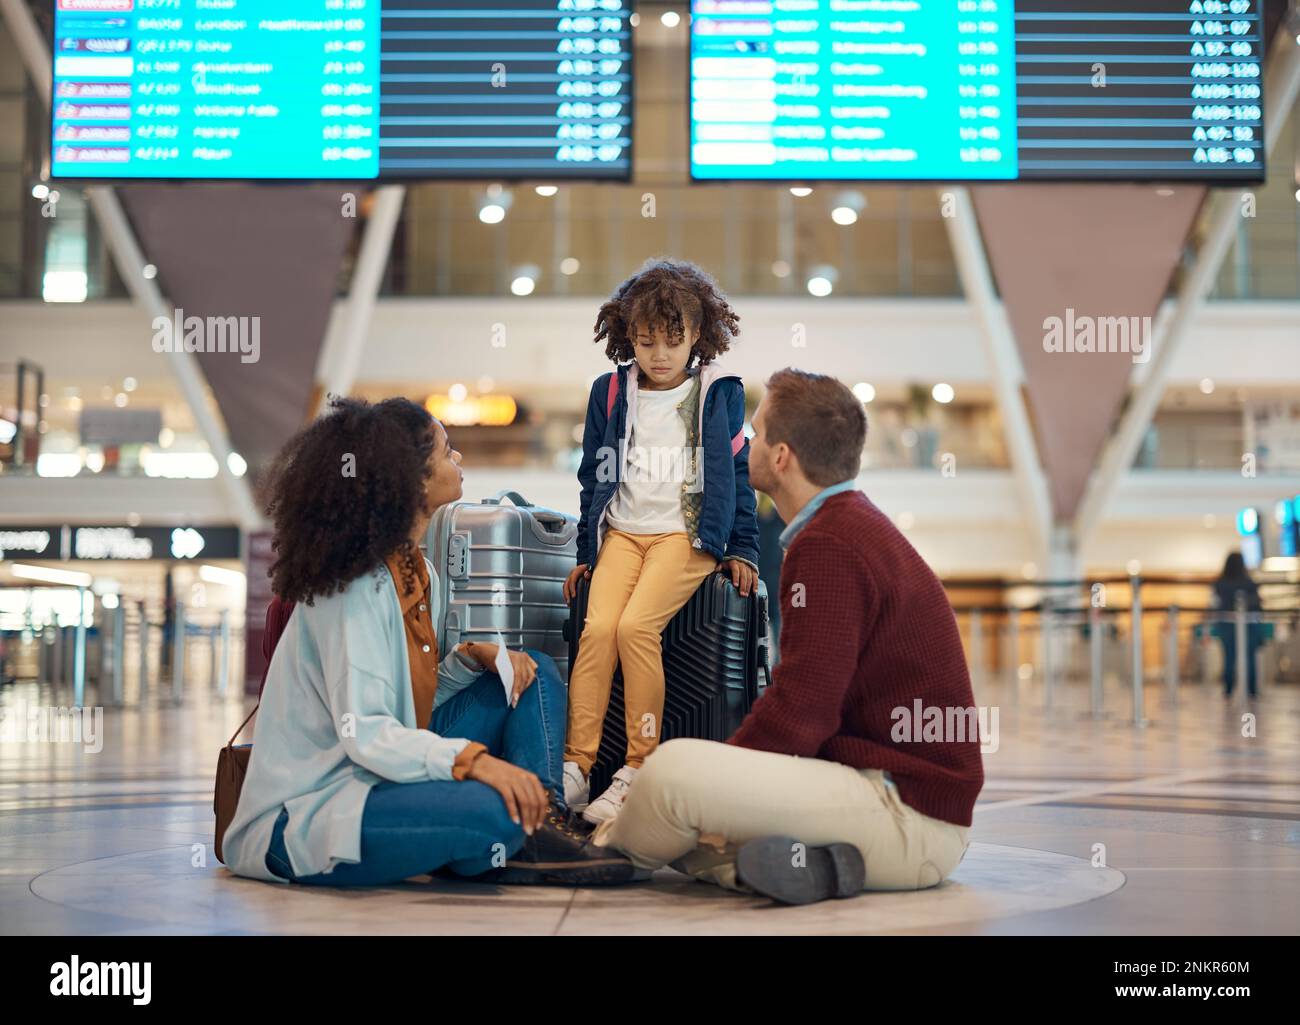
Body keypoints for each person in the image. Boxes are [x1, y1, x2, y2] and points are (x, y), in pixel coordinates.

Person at [588, 369, 985, 904]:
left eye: (754, 433)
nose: (743, 443)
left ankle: (599, 854)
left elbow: (803, 712)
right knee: (688, 819)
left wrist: (721, 779)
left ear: (781, 457)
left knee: (670, 774)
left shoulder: (831, 545)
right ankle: (810, 868)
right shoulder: (846, 527)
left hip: (907, 814)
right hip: (900, 813)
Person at [221, 397, 635, 887]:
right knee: (489, 807)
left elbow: (407, 711)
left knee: (534, 671)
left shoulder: (422, 574)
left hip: (373, 779)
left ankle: (537, 824)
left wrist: (466, 662)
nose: (457, 459)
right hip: (306, 817)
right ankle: (506, 833)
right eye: (446, 451)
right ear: (411, 479)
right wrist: (478, 765)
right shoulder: (352, 587)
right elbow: (369, 734)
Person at [561, 258, 761, 824]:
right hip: (622, 534)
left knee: (633, 628)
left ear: (698, 336)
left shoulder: (719, 393)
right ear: (628, 338)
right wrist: (585, 554)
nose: (659, 355)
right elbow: (591, 479)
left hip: (686, 536)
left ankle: (638, 767)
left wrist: (743, 548)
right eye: (646, 341)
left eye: (673, 341)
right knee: (597, 630)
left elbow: (738, 476)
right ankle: (577, 767)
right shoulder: (608, 392)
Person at [1211, 551, 1263, 699]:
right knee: (1250, 657)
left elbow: (1215, 604)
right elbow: (1258, 604)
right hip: (1249, 622)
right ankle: (1252, 691)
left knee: (1229, 657)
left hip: (1226, 623)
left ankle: (1228, 691)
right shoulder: (1249, 583)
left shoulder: (1219, 583)